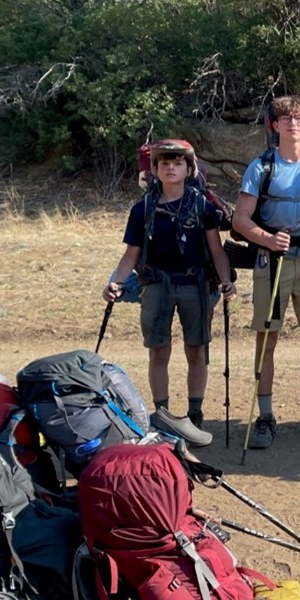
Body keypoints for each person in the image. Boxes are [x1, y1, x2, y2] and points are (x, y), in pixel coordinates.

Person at [230, 96, 300, 449]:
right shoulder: (261, 167)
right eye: (285, 118)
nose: (293, 123)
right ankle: (265, 417)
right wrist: (268, 238)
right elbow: (240, 219)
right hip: (272, 262)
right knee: (267, 338)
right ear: (274, 126)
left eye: (299, 118)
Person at [104, 139, 234, 447]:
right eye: (164, 163)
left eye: (177, 163)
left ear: (189, 169)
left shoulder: (203, 206)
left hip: (195, 285)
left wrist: (226, 280)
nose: (170, 167)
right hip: (156, 286)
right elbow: (131, 254)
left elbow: (216, 251)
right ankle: (161, 413)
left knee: (196, 349)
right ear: (155, 171)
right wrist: (116, 282)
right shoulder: (142, 209)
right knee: (158, 350)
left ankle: (194, 412)